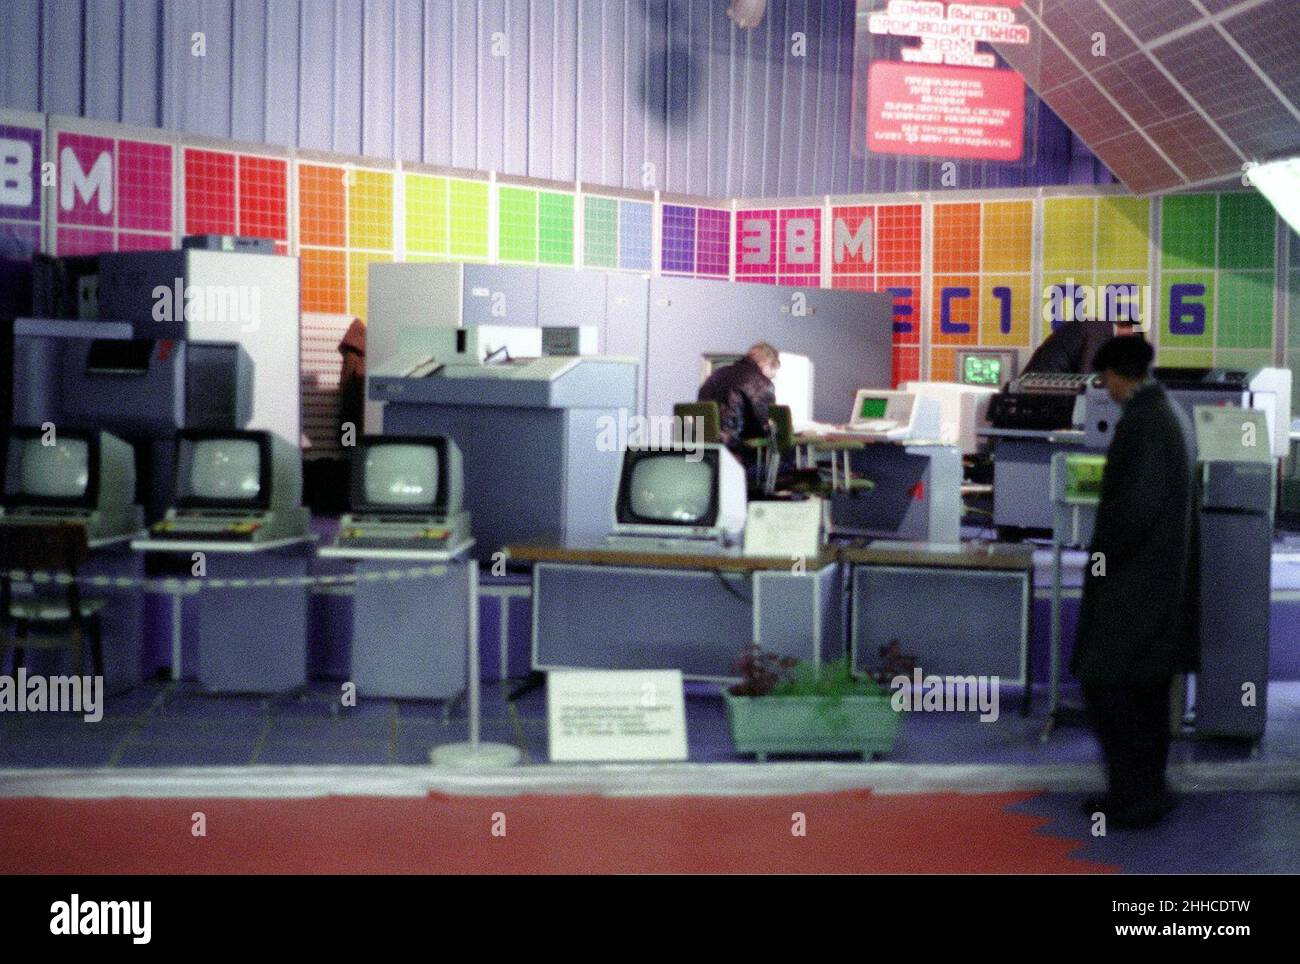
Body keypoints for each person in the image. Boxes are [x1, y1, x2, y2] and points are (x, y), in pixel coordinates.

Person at [1072, 335, 1199, 828]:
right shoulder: (1169, 413)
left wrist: (1098, 569)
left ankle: (1134, 795)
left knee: (1111, 688)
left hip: (1133, 589)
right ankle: (1145, 791)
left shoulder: (1144, 424)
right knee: (1144, 694)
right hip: (1159, 584)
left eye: (1105, 380)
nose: (1106, 390)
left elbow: (1131, 515)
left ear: (1119, 376)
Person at [697, 342, 780, 460]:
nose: (771, 378)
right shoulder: (761, 382)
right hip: (738, 453)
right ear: (766, 363)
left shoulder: (717, 374)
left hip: (708, 453)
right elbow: (765, 427)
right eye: (772, 374)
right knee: (797, 456)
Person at [1023, 318, 1135, 375]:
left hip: (1041, 374)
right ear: (1127, 327)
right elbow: (1087, 376)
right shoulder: (1102, 332)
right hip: (1045, 379)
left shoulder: (1100, 327)